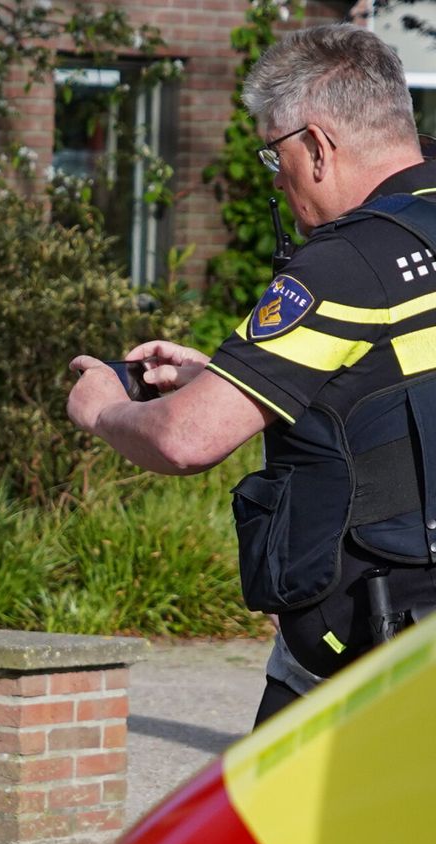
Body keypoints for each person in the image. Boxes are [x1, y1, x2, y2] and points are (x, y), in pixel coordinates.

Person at [67, 22, 436, 725]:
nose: (281, 178)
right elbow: (396, 380)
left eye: (275, 158)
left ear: (319, 146)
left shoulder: (347, 263)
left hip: (378, 653)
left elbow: (185, 439)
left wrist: (103, 408)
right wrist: (228, 377)